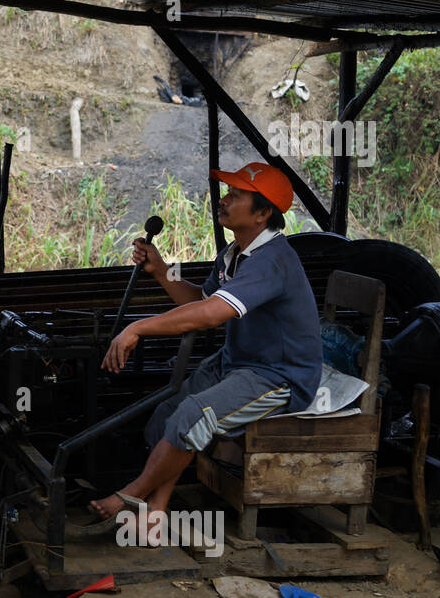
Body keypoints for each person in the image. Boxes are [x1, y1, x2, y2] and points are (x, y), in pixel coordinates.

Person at [90, 161, 322, 528]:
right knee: (166, 414)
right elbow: (200, 298)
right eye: (227, 193)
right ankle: (157, 509)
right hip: (238, 363)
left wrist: (138, 327)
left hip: (278, 379)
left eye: (236, 195)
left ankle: (131, 494)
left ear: (262, 213)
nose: (224, 200)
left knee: (192, 417)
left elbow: (212, 314)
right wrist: (162, 270)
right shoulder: (235, 253)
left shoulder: (272, 261)